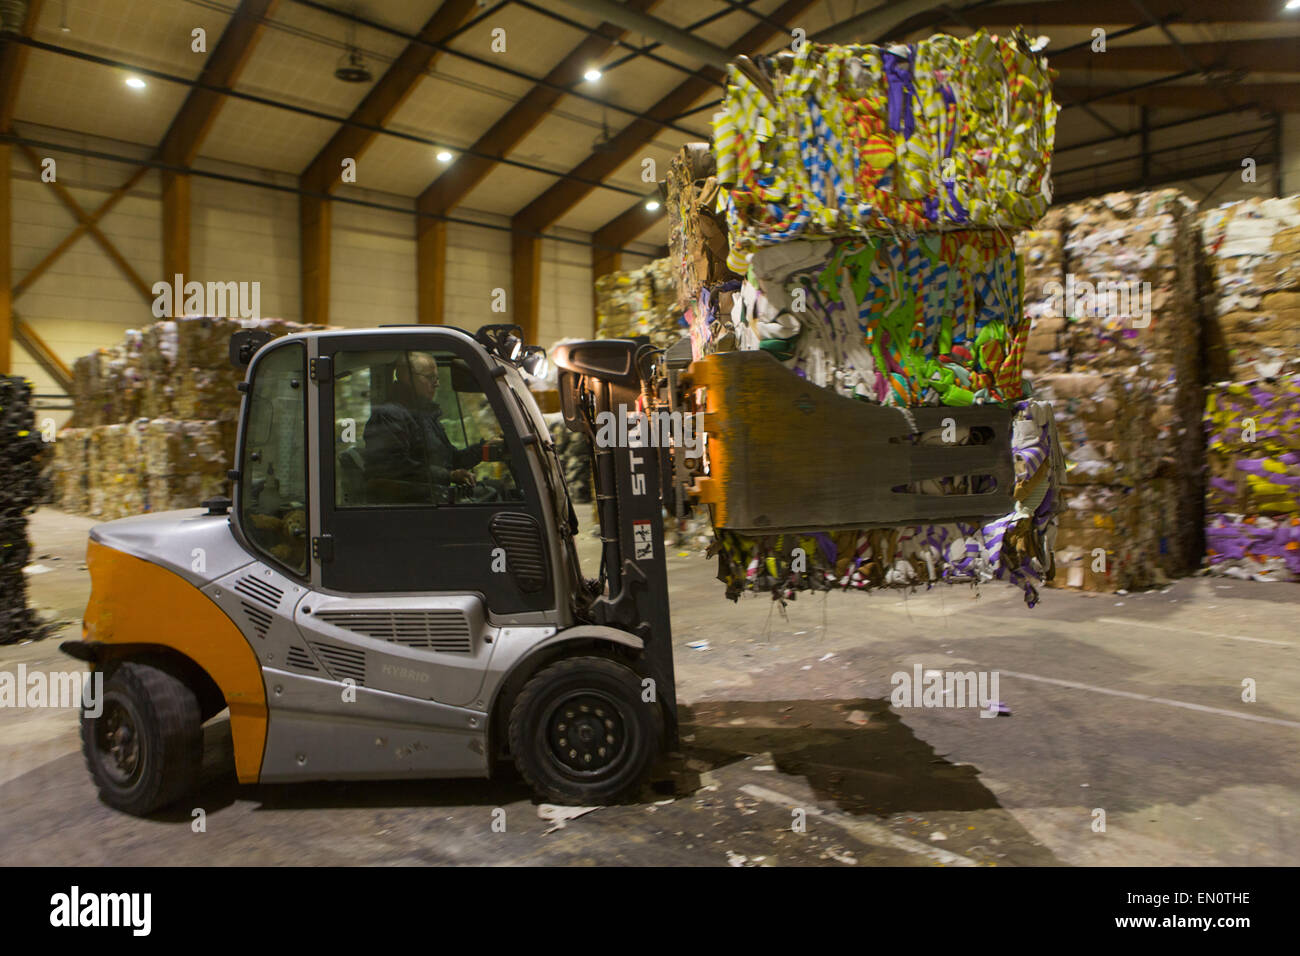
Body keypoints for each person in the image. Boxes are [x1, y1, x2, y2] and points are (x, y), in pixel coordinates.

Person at [362, 352, 486, 504]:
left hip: (432, 502)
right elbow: (396, 468)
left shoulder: (424, 416)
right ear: (408, 377)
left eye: (437, 378)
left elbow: (451, 460)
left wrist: (484, 450)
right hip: (410, 510)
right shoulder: (389, 415)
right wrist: (449, 476)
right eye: (430, 377)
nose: (436, 384)